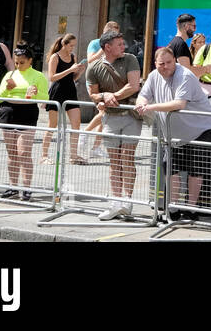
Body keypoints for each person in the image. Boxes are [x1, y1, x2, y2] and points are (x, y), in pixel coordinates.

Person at [135, 47, 211, 222]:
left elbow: (179, 104)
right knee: (171, 168)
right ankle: (172, 207)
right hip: (174, 135)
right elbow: (143, 95)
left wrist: (150, 107)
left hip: (200, 129)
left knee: (196, 170)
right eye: (161, 64)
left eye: (169, 62)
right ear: (155, 64)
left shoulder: (185, 76)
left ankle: (191, 208)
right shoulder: (153, 76)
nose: (165, 67)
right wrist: (142, 103)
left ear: (175, 61)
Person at [85, 29, 142, 221]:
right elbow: (92, 94)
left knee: (127, 157)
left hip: (131, 116)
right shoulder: (94, 67)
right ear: (107, 47)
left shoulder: (130, 59)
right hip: (110, 118)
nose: (123, 46)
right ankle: (116, 202)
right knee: (114, 161)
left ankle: (128, 200)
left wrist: (110, 97)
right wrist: (101, 98)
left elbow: (134, 86)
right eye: (119, 44)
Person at [0, 45, 48, 202]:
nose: (18, 66)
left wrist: (36, 93)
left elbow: (46, 99)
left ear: (30, 61)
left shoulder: (38, 76)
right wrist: (8, 89)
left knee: (24, 152)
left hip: (27, 113)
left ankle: (26, 187)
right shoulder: (10, 74)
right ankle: (13, 186)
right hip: (8, 112)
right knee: (12, 153)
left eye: (22, 62)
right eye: (16, 62)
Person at [42, 34, 86, 164]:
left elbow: (72, 78)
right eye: (71, 45)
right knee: (52, 124)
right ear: (64, 44)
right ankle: (44, 155)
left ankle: (73, 155)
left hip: (70, 91)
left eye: (74, 45)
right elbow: (52, 77)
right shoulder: (55, 57)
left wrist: (79, 71)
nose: (73, 48)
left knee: (76, 123)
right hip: (57, 91)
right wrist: (70, 70)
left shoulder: (73, 57)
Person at [81, 21, 120, 159]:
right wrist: (103, 49)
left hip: (108, 81)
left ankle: (95, 147)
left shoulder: (115, 45)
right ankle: (85, 132)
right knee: (105, 113)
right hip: (94, 81)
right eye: (113, 35)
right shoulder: (95, 43)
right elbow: (90, 60)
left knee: (105, 115)